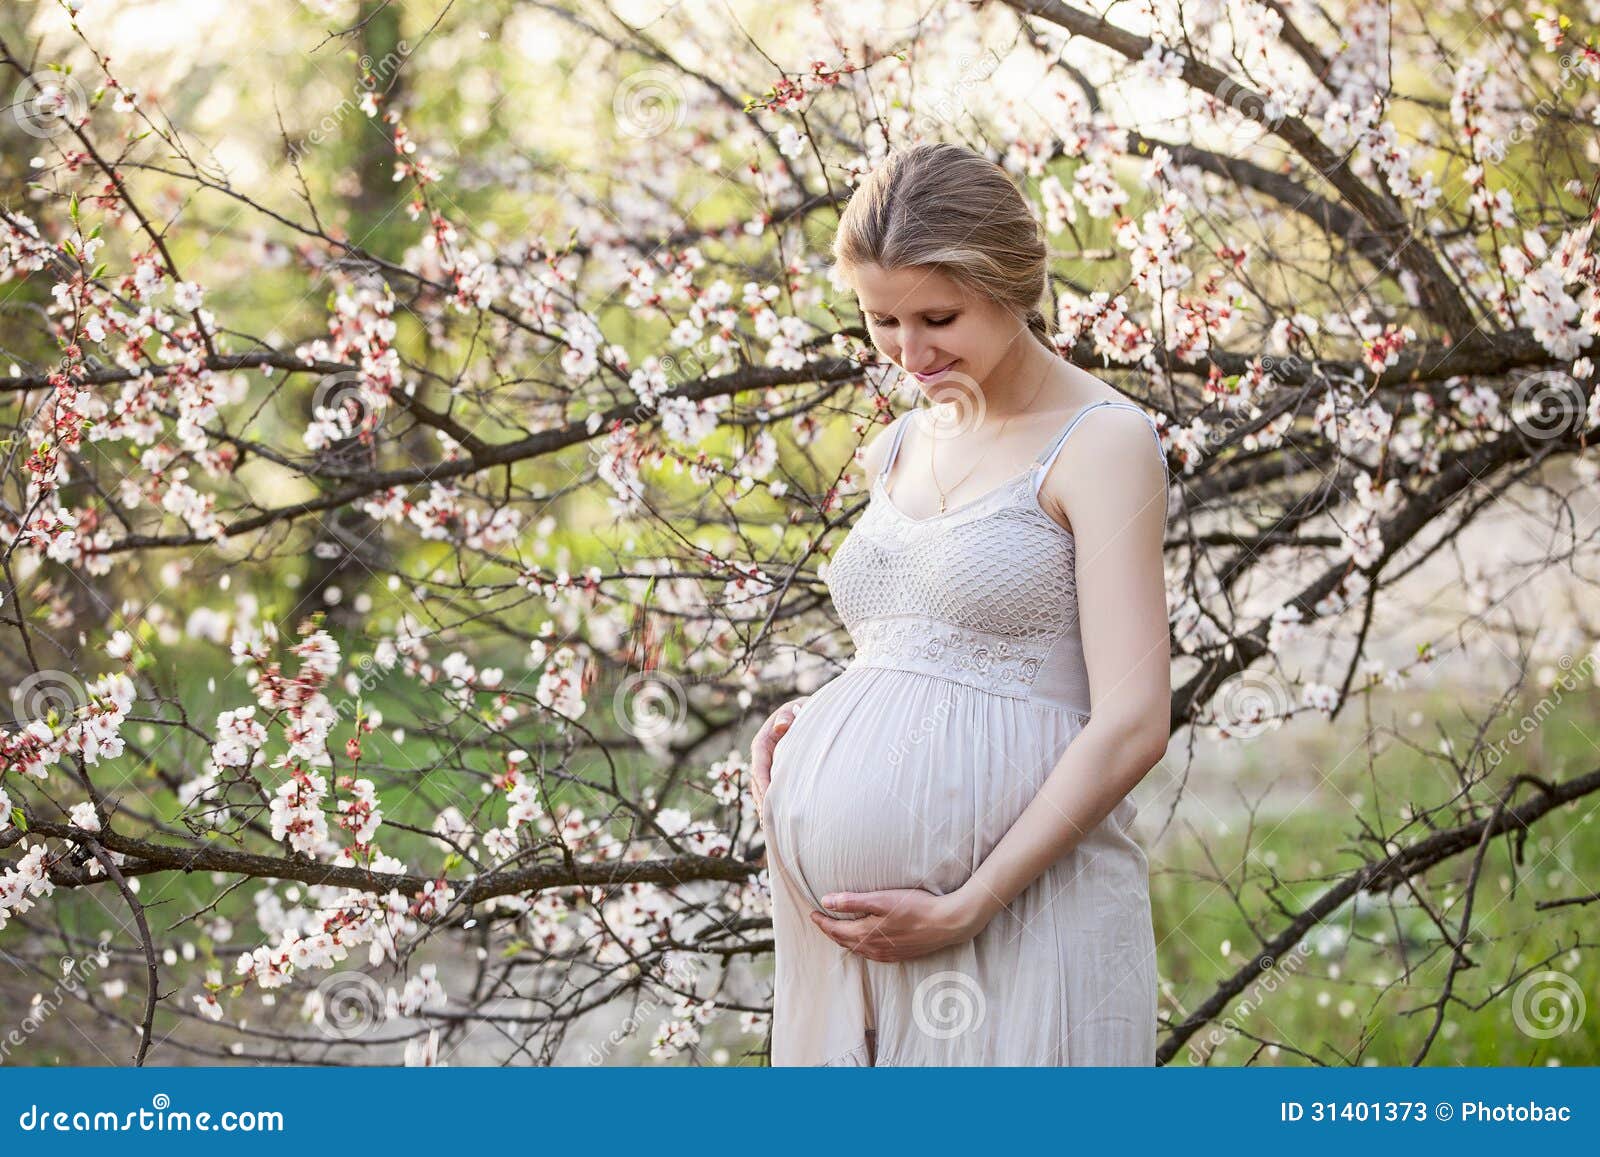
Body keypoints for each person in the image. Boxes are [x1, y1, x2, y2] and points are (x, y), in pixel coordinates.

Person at [747, 141, 1172, 1066]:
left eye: (939, 317)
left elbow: (1135, 721)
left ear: (1013, 285)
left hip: (1025, 918)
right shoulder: (900, 443)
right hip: (869, 944)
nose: (911, 352)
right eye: (881, 321)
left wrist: (964, 905)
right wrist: (812, 731)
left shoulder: (1102, 442)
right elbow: (913, 644)